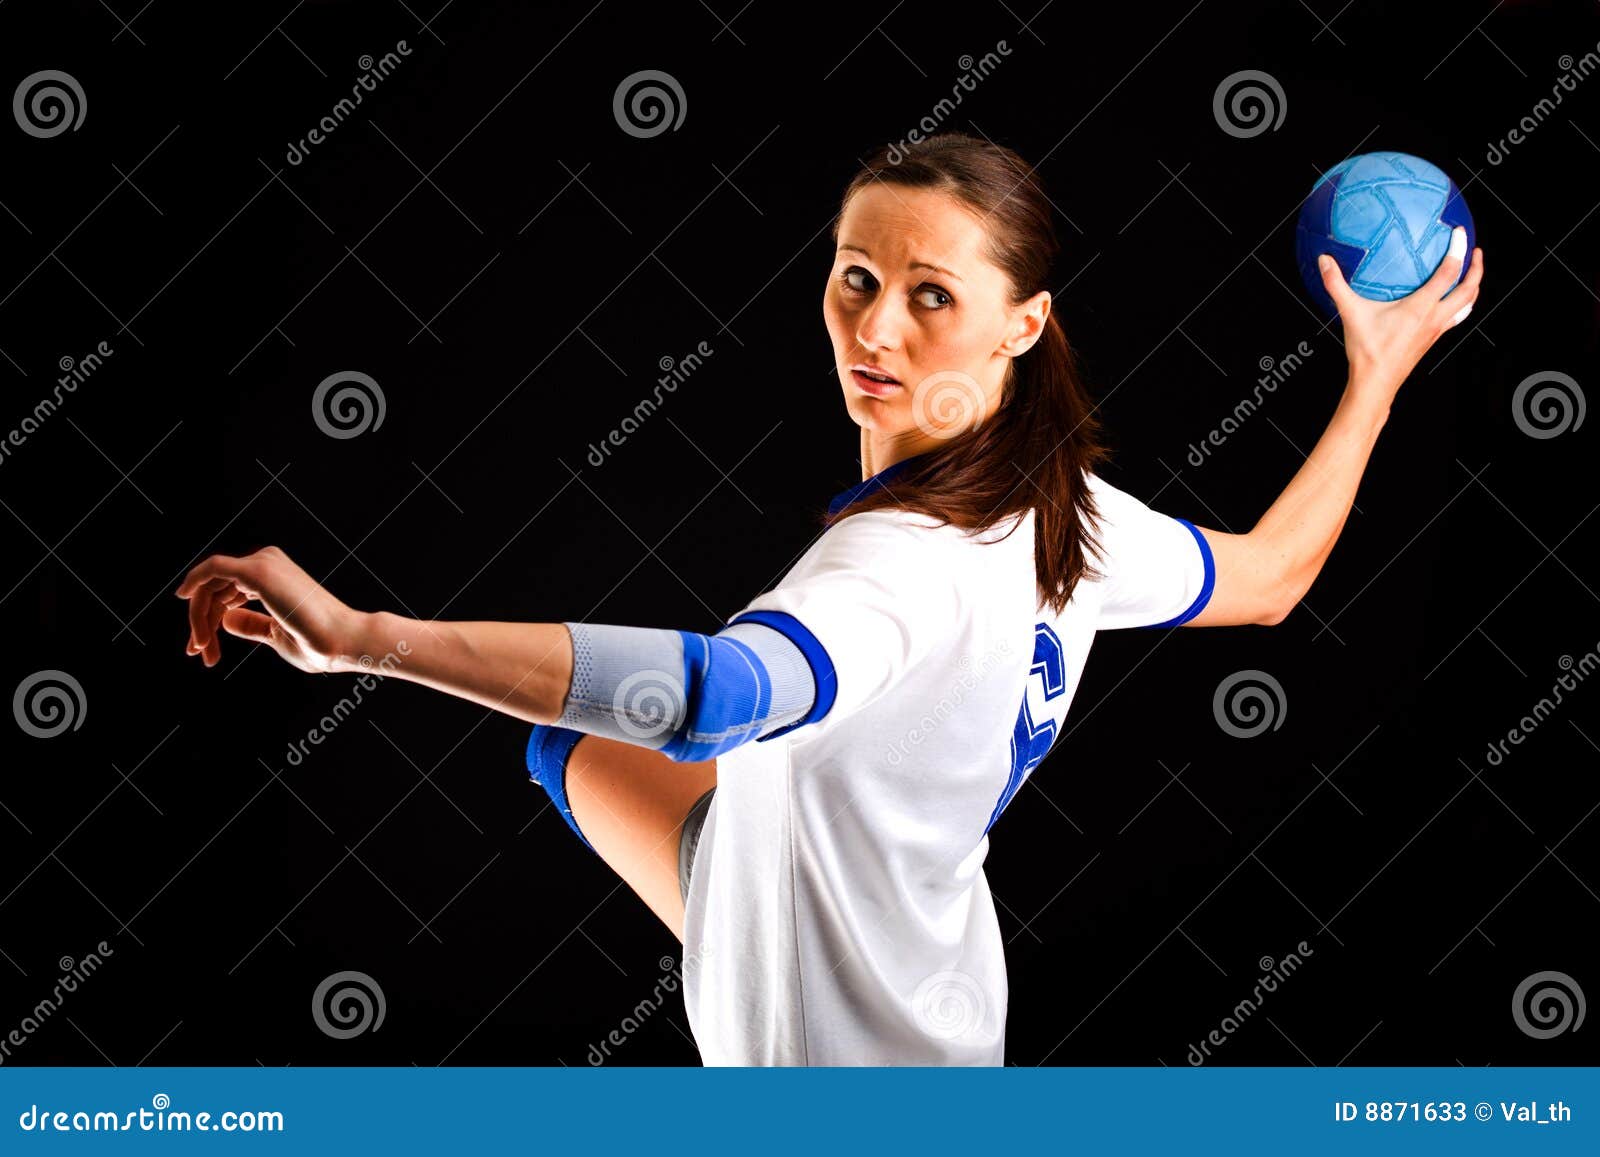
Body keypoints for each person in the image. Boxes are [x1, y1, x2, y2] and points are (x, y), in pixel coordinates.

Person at [175, 132, 1484, 1065]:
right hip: (946, 1000)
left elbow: (713, 699)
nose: (877, 328)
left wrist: (363, 638)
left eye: (932, 296)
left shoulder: (893, 569)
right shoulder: (1070, 515)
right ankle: (759, 896)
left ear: (1020, 326)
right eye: (859, 275)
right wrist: (1378, 374)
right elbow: (1271, 580)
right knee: (567, 740)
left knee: (667, 739)